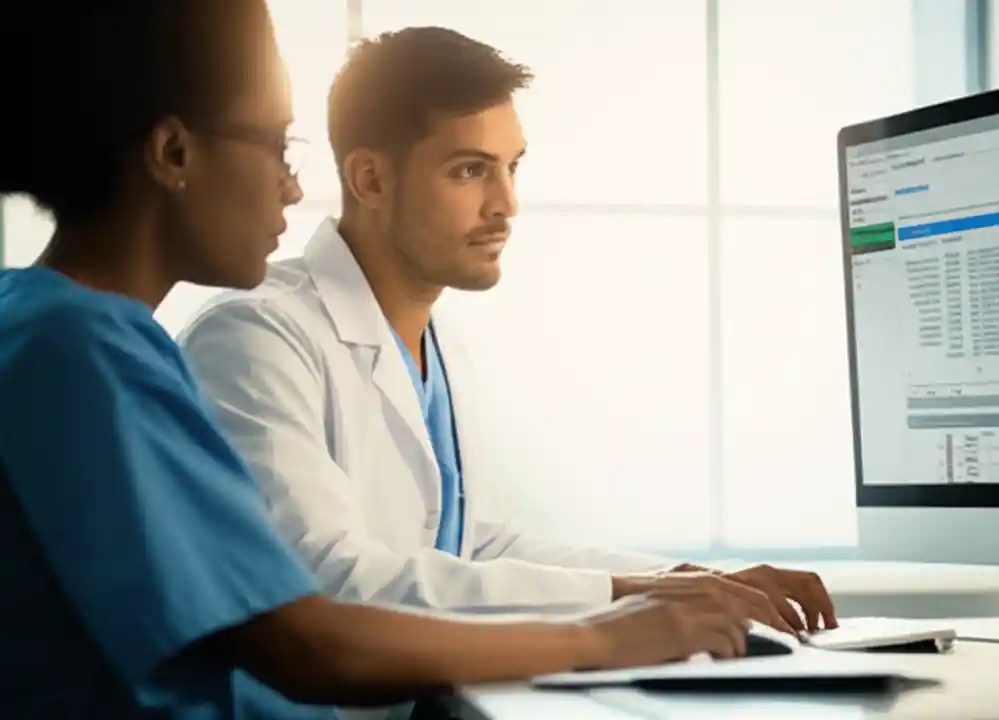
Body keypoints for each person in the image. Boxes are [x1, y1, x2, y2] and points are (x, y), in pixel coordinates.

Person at [0, 3, 755, 717]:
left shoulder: (57, 327)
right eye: (275, 146)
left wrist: (679, 588)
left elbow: (466, 545)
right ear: (172, 153)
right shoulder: (89, 348)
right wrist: (604, 636)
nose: (294, 187)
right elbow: (302, 635)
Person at [178, 26, 839, 634]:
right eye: (470, 170)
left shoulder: (442, 350)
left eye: (512, 166)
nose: (506, 205)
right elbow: (329, 582)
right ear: (371, 179)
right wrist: (632, 601)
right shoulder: (256, 338)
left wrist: (695, 581)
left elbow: (483, 547)